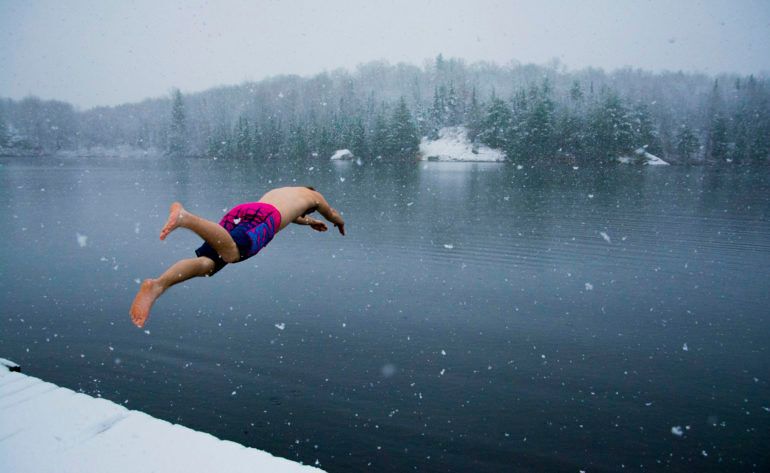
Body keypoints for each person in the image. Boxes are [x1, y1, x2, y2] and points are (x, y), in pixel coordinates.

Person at [129, 186, 345, 328]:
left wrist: (309, 222)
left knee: (208, 265)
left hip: (242, 212)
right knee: (232, 254)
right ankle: (185, 218)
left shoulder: (284, 191)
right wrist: (338, 222)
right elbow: (331, 213)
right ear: (312, 192)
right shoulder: (315, 197)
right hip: (267, 218)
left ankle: (158, 284)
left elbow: (292, 214)